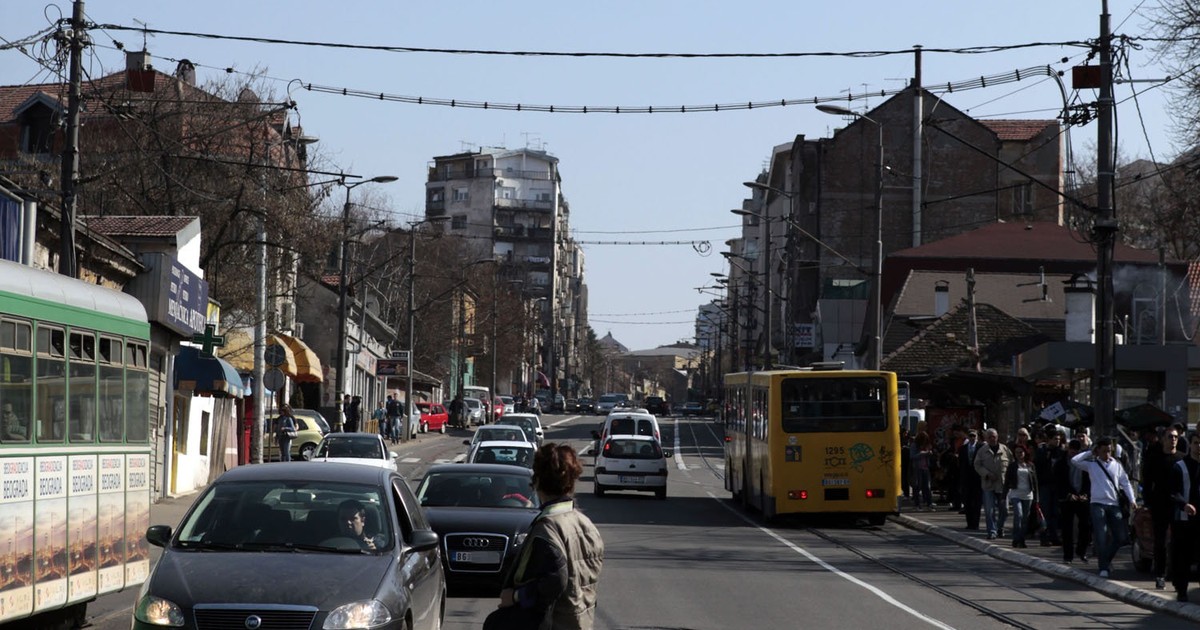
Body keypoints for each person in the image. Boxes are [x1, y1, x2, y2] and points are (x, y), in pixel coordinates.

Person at [487, 443, 604, 630]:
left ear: (538, 482)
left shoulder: (547, 528)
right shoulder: (587, 525)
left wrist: (515, 596)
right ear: (572, 482)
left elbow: (555, 580)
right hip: (581, 622)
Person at [1071, 436, 1139, 578]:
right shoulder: (1092, 464)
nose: (1107, 454)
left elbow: (1125, 483)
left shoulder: (1117, 465)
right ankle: (1103, 568)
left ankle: (1106, 559)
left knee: (1121, 537)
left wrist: (1132, 499)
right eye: (1103, 451)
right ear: (1098, 451)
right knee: (1101, 536)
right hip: (1097, 504)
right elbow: (1074, 461)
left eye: (1109, 451)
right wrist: (1090, 452)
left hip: (1113, 504)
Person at [1142, 424, 1183, 590]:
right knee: (1160, 542)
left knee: (1178, 541)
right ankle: (1159, 575)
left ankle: (1176, 575)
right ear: (1163, 439)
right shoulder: (1154, 458)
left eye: (1175, 437)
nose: (1172, 440)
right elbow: (1147, 482)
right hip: (1159, 505)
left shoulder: (1182, 458)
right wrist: (1148, 503)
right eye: (1170, 437)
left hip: (1179, 505)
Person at [1169, 432, 1200, 602]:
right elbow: (1173, 492)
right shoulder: (1179, 466)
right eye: (1196, 443)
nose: (1199, 447)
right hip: (1184, 519)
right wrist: (1184, 504)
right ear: (1190, 445)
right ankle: (1181, 590)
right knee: (1183, 556)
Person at [1056, 438, 1092, 564]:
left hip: (1082, 498)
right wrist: (1068, 494)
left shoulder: (1085, 463)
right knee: (1067, 528)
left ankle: (1081, 551)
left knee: (1086, 525)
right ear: (1068, 450)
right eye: (1072, 452)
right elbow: (1058, 483)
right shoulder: (1061, 464)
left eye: (1077, 452)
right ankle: (1068, 556)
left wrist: (1085, 494)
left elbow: (1089, 481)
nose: (1074, 455)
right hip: (1067, 499)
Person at [974, 428, 1012, 540]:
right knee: (989, 510)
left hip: (1002, 485)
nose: (992, 439)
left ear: (997, 437)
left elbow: (1012, 464)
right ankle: (992, 531)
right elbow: (977, 465)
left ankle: (1000, 527)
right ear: (986, 438)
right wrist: (987, 474)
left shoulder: (1005, 449)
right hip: (988, 484)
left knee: (1004, 510)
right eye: (989, 437)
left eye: (994, 436)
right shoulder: (982, 451)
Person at [1033, 428, 1064, 547]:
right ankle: (1044, 537)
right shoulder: (1042, 451)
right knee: (1045, 512)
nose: (1057, 441)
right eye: (1055, 439)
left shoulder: (1060, 452)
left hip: (1056, 486)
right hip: (1044, 485)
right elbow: (1038, 466)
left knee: (1055, 512)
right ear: (1049, 439)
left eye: (1059, 439)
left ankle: (1054, 536)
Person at [1005, 444, 1038, 548]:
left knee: (1025, 518)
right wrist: (1003, 496)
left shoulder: (1030, 465)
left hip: (1028, 494)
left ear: (1025, 453)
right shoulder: (1012, 466)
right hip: (1016, 493)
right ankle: (1016, 538)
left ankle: (1022, 539)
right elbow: (1006, 481)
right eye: (1017, 453)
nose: (1019, 454)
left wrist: (1037, 497)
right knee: (1018, 515)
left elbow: (1035, 481)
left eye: (1021, 452)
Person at [959, 429, 983, 530]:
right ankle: (969, 523)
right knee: (968, 501)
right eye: (970, 436)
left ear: (977, 437)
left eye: (974, 436)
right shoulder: (963, 448)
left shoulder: (981, 447)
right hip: (967, 478)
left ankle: (976, 523)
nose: (972, 438)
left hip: (977, 478)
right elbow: (960, 463)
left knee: (977, 502)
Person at [910, 431, 934, 511]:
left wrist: (929, 454)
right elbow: (912, 456)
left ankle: (929, 504)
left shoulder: (927, 445)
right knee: (917, 486)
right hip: (917, 468)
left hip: (926, 467)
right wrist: (922, 453)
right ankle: (917, 505)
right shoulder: (914, 445)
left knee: (927, 487)